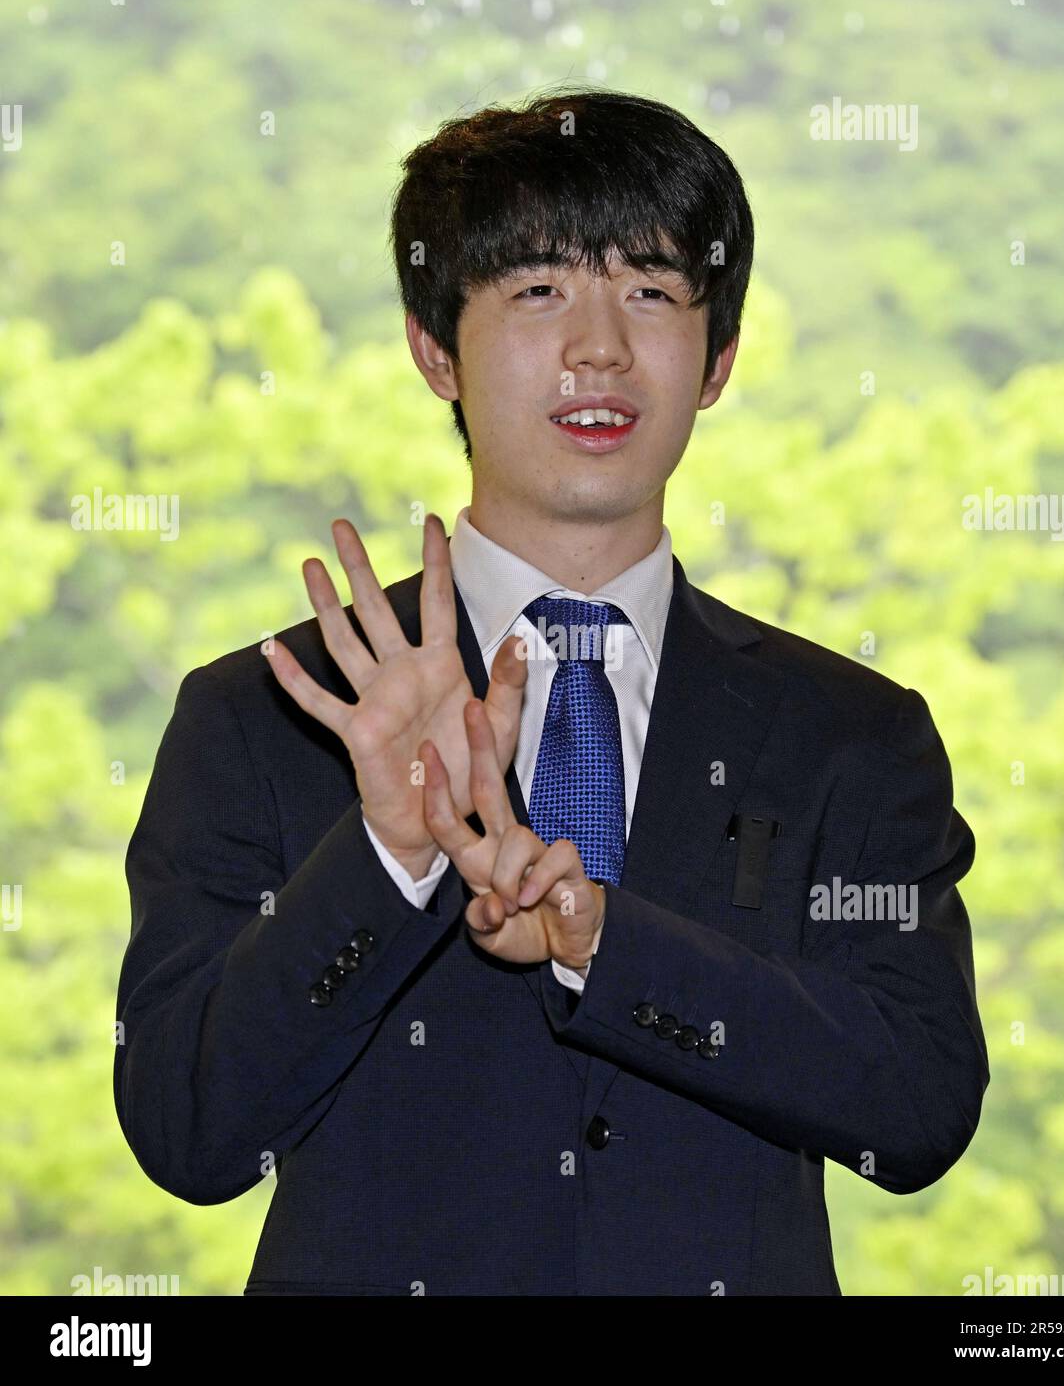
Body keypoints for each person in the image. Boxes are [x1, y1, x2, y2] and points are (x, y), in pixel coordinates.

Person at [114, 87, 989, 1296]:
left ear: (718, 358)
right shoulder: (270, 712)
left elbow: (917, 1108)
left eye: (650, 291)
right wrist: (385, 855)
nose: (599, 348)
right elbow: (188, 1132)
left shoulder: (849, 731)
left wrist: (605, 944)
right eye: (536, 291)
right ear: (435, 350)